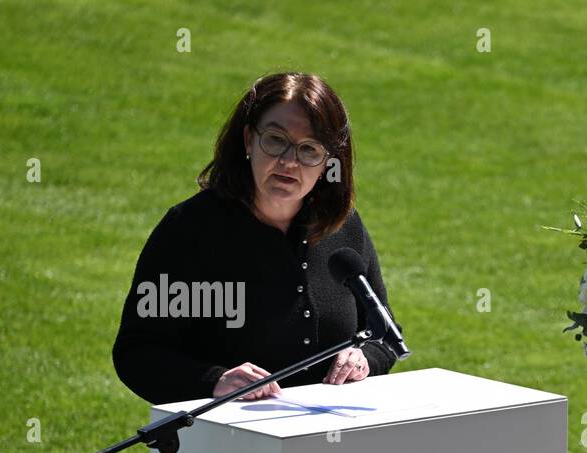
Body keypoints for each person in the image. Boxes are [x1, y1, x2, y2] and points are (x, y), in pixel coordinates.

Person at [113, 71, 402, 405]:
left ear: (328, 161)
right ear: (249, 139)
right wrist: (214, 381)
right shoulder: (191, 230)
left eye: (309, 149)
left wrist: (364, 357)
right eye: (276, 140)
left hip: (335, 443)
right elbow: (138, 353)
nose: (289, 162)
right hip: (228, 442)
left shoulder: (342, 226)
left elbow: (385, 333)